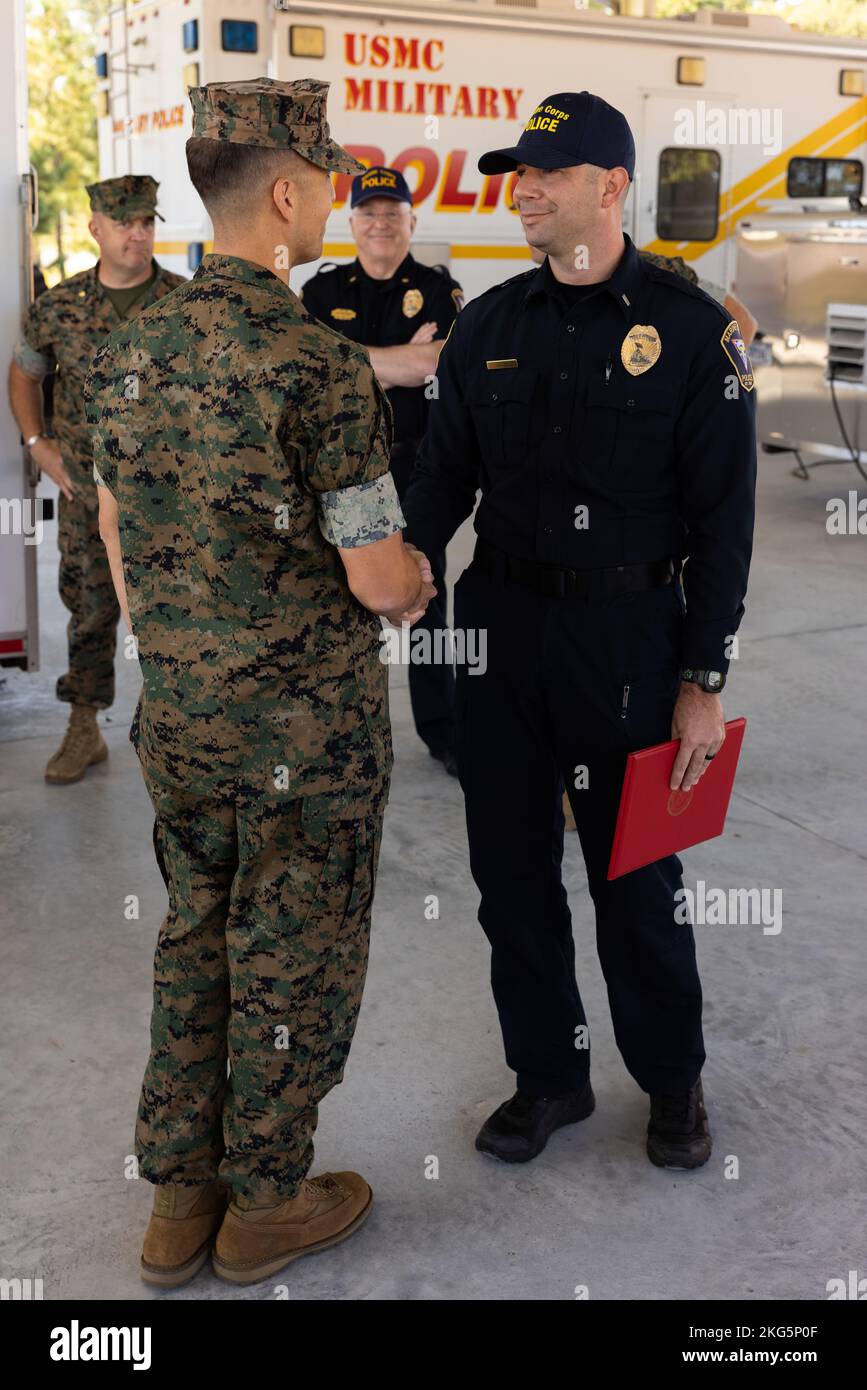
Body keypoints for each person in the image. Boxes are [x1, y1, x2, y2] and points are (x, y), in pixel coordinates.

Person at [85, 77, 435, 1287]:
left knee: (195, 931)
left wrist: (170, 638)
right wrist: (418, 580)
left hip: (177, 714)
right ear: (285, 194)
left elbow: (114, 516)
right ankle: (267, 1204)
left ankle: (179, 1198)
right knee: (290, 947)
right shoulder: (319, 364)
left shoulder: (127, 349)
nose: (339, 199)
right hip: (302, 738)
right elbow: (378, 574)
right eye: (330, 178)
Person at [401, 91, 757, 1171]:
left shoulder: (694, 333)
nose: (524, 191)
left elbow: (727, 523)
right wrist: (405, 567)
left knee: (637, 883)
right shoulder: (491, 327)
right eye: (518, 173)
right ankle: (549, 1078)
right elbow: (439, 481)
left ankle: (672, 1081)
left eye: (545, 175)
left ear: (611, 188)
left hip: (633, 644)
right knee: (511, 879)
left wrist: (703, 674)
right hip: (501, 636)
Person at [8, 176, 185, 783]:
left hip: (170, 498)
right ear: (96, 229)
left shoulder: (185, 303)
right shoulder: (58, 306)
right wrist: (39, 447)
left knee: (180, 610)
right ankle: (84, 727)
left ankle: (182, 733)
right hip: (87, 493)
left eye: (147, 222)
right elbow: (25, 375)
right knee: (87, 609)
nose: (139, 233)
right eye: (125, 222)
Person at [301, 166, 464, 775]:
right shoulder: (319, 292)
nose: (380, 223)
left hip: (414, 470)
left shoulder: (439, 289)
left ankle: (444, 733)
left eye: (392, 212)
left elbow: (438, 363)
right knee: (334, 599)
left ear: (411, 222)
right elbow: (311, 374)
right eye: (369, 212)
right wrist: (400, 357)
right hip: (336, 474)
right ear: (351, 223)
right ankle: (334, 735)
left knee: (424, 598)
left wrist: (351, 359)